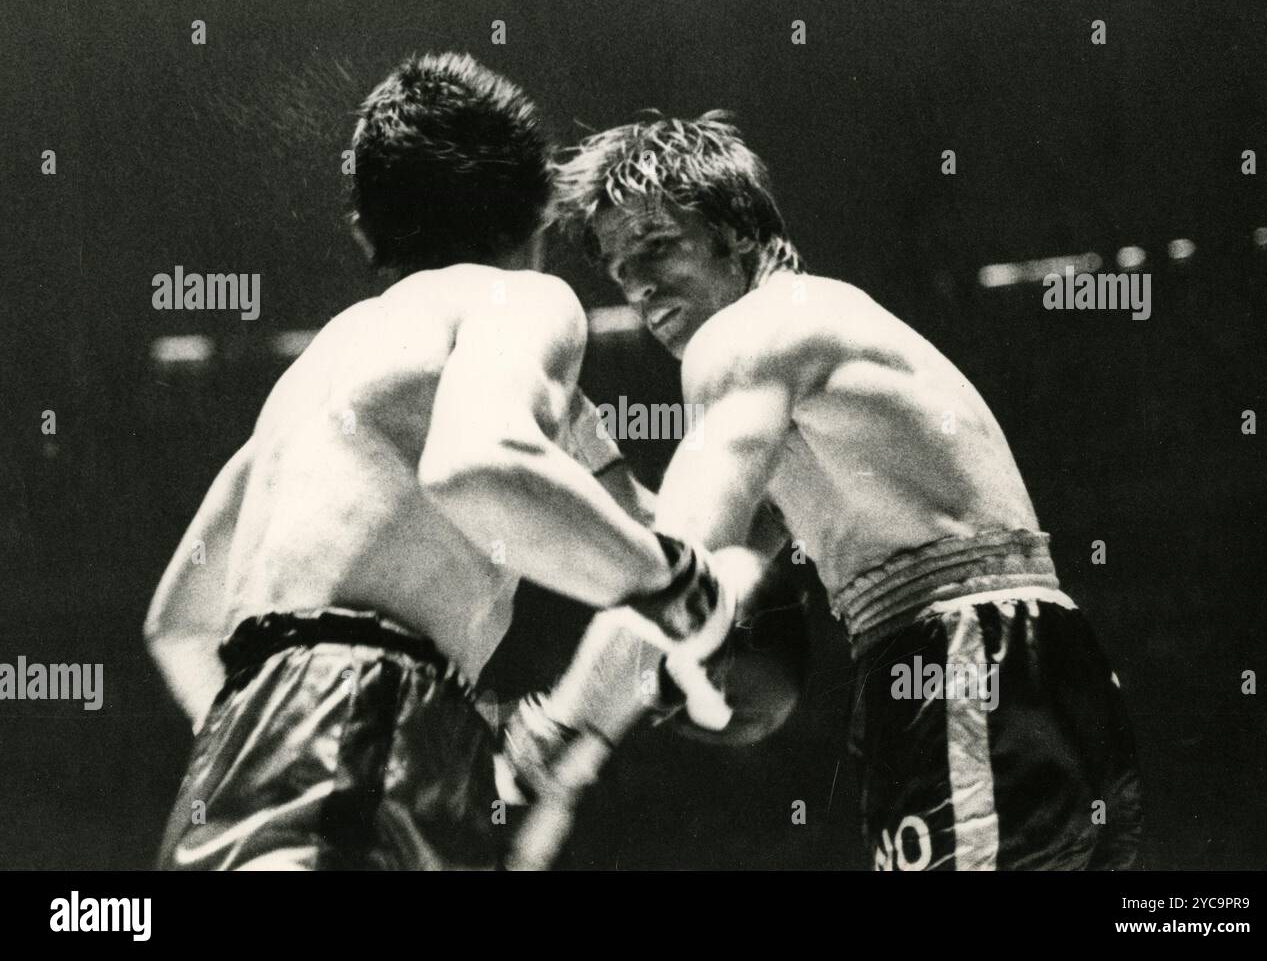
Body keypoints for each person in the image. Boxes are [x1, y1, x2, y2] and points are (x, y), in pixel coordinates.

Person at [144, 56, 751, 870]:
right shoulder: (518, 300)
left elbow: (179, 622)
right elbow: (478, 465)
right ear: (532, 210)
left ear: (373, 226)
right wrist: (691, 591)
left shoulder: (323, 369)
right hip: (366, 718)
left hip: (237, 762)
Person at [552, 111, 1143, 870]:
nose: (635, 282)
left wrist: (555, 734)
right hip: (1042, 666)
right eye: (615, 264)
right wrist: (586, 449)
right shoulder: (817, 336)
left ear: (735, 231)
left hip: (960, 662)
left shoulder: (750, 335)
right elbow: (687, 560)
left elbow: (673, 567)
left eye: (656, 244)